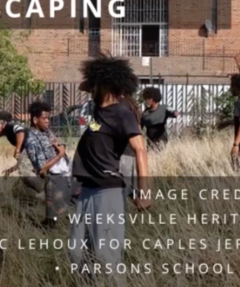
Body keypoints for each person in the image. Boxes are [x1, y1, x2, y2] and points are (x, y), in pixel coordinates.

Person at [70, 57, 150, 270]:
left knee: (106, 256)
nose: (89, 89)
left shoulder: (122, 113)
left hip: (107, 191)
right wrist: (96, 77)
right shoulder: (99, 110)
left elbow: (140, 149)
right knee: (77, 252)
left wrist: (143, 192)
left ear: (105, 85)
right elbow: (84, 86)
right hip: (87, 190)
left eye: (95, 84)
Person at [22, 100, 74, 228]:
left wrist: (59, 147)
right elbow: (42, 168)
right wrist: (60, 154)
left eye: (48, 118)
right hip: (54, 176)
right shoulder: (32, 139)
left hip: (65, 170)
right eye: (44, 118)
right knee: (53, 219)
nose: (47, 121)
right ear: (35, 120)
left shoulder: (46, 132)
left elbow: (56, 143)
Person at [0, 111, 40, 192]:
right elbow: (22, 162)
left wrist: (17, 150)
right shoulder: (9, 133)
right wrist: (10, 170)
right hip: (35, 147)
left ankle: (43, 190)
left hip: (34, 146)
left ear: (2, 123)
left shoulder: (9, 126)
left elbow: (20, 131)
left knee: (25, 172)